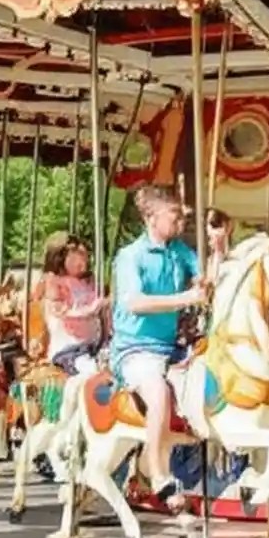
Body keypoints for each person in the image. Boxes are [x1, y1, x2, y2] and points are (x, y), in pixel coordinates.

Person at [110, 185, 225, 508]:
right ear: (151, 217)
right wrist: (184, 298)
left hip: (172, 345)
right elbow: (134, 302)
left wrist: (217, 250)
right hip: (136, 348)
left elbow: (206, 282)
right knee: (158, 392)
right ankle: (157, 474)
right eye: (173, 215)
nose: (180, 221)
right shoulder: (131, 257)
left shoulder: (179, 251)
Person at [40, 232, 107, 376]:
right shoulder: (54, 282)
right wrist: (89, 311)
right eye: (76, 257)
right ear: (61, 258)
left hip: (94, 345)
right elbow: (60, 312)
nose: (83, 261)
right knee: (91, 372)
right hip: (69, 348)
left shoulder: (88, 282)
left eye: (84, 256)